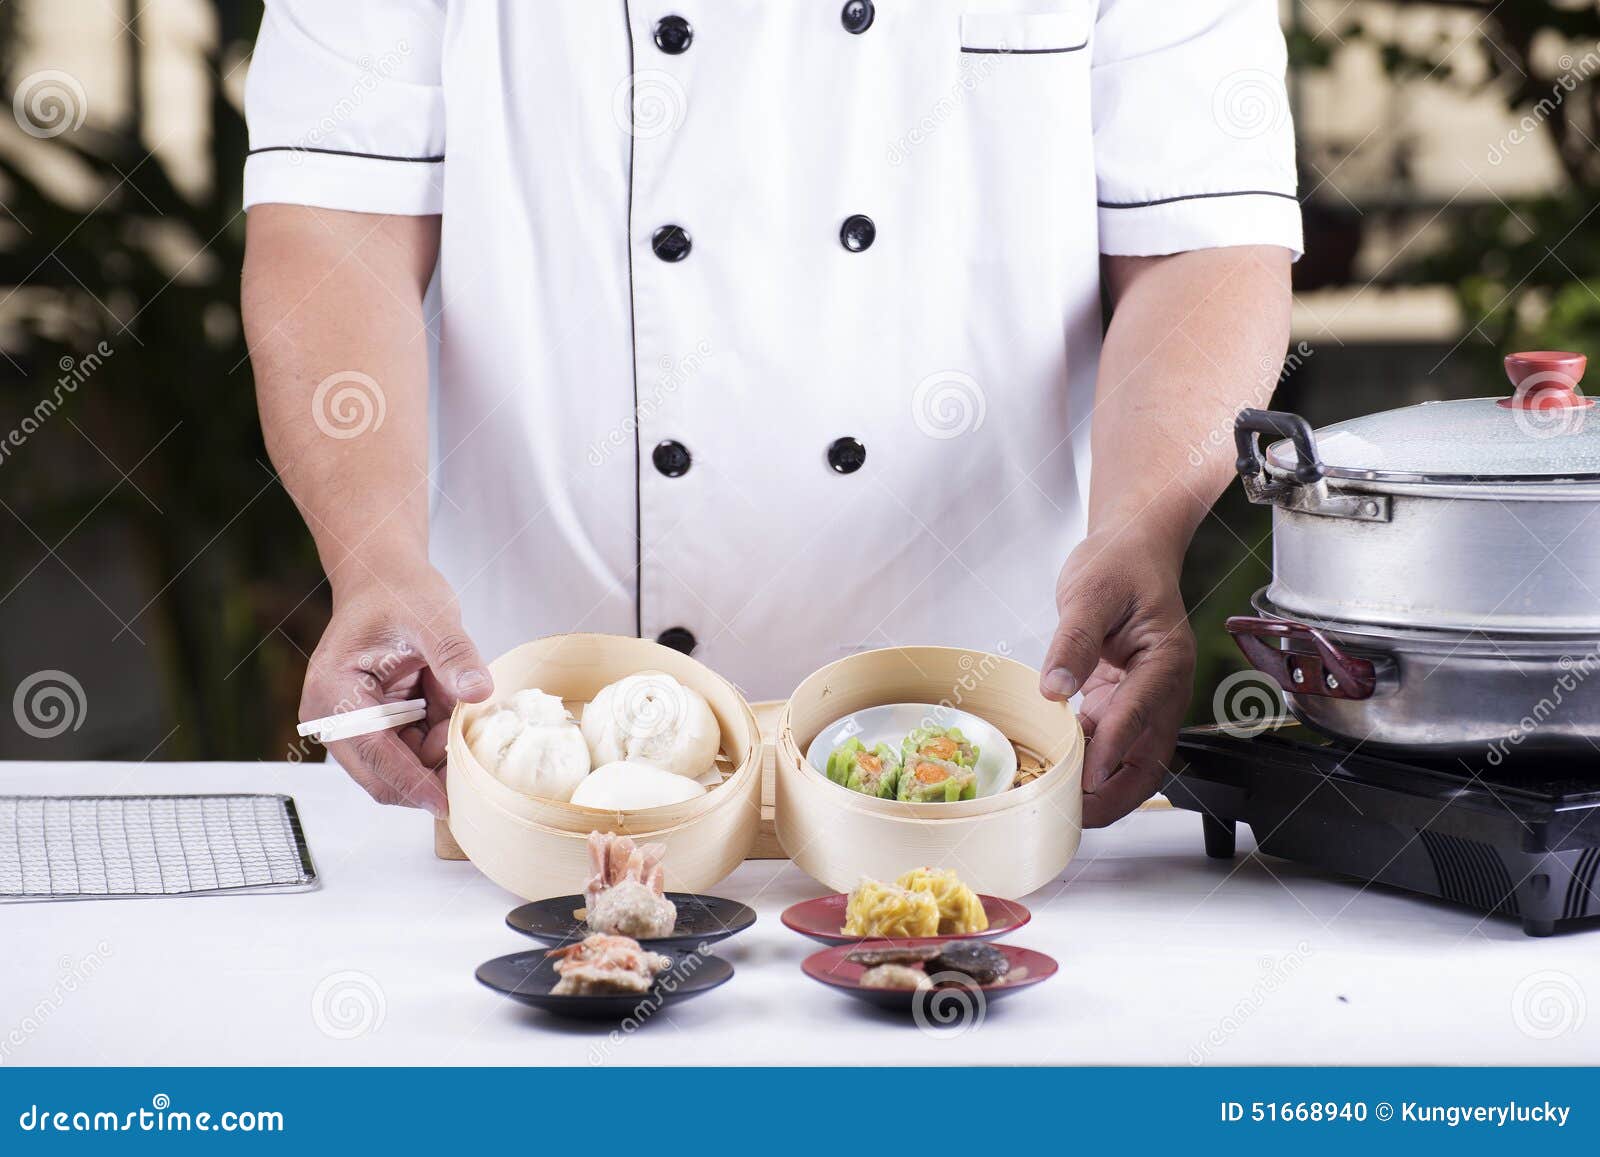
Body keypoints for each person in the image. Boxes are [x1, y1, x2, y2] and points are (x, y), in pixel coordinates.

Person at [240, 1, 1298, 829]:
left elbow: (1201, 240)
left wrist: (1139, 527)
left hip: (988, 750)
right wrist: (374, 559)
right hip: (533, 756)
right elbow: (336, 226)